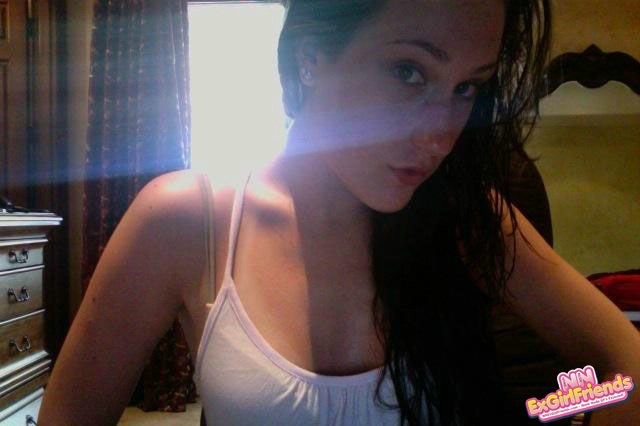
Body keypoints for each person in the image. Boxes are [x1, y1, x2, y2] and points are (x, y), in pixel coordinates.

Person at [39, 0, 640, 425]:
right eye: (408, 72)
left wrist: (550, 410)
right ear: (311, 56)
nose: (440, 137)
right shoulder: (188, 221)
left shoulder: (469, 217)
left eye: (466, 88)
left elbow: (627, 369)